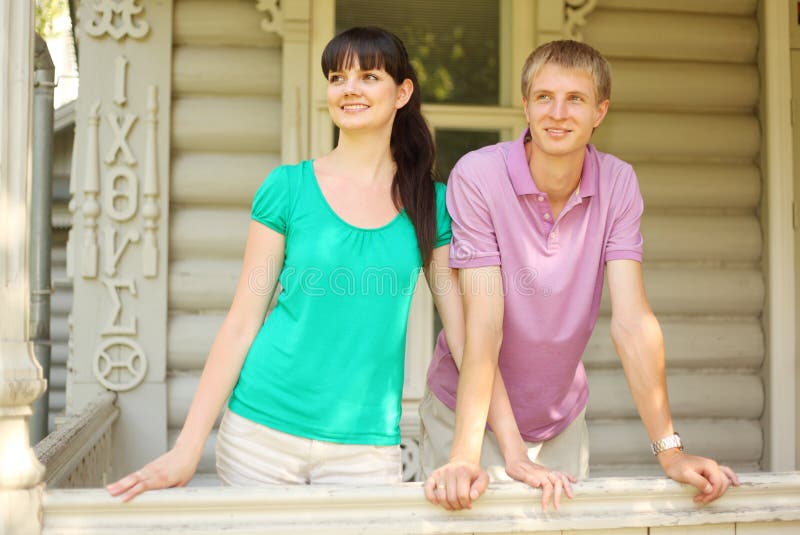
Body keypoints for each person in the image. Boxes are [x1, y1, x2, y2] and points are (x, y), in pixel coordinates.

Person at [107, 26, 462, 501]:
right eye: (337, 77)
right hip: (260, 433)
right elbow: (242, 321)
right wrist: (187, 449)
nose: (349, 89)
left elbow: (465, 337)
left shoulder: (431, 205)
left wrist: (511, 449)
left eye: (369, 77)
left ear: (402, 92)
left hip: (365, 447)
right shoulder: (288, 188)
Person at [421, 39, 741, 512]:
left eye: (575, 99)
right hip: (467, 415)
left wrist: (669, 453)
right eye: (544, 97)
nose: (557, 113)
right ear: (525, 105)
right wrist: (467, 453)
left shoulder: (618, 183)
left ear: (600, 111)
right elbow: (482, 323)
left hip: (561, 421)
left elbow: (633, 324)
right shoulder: (479, 176)